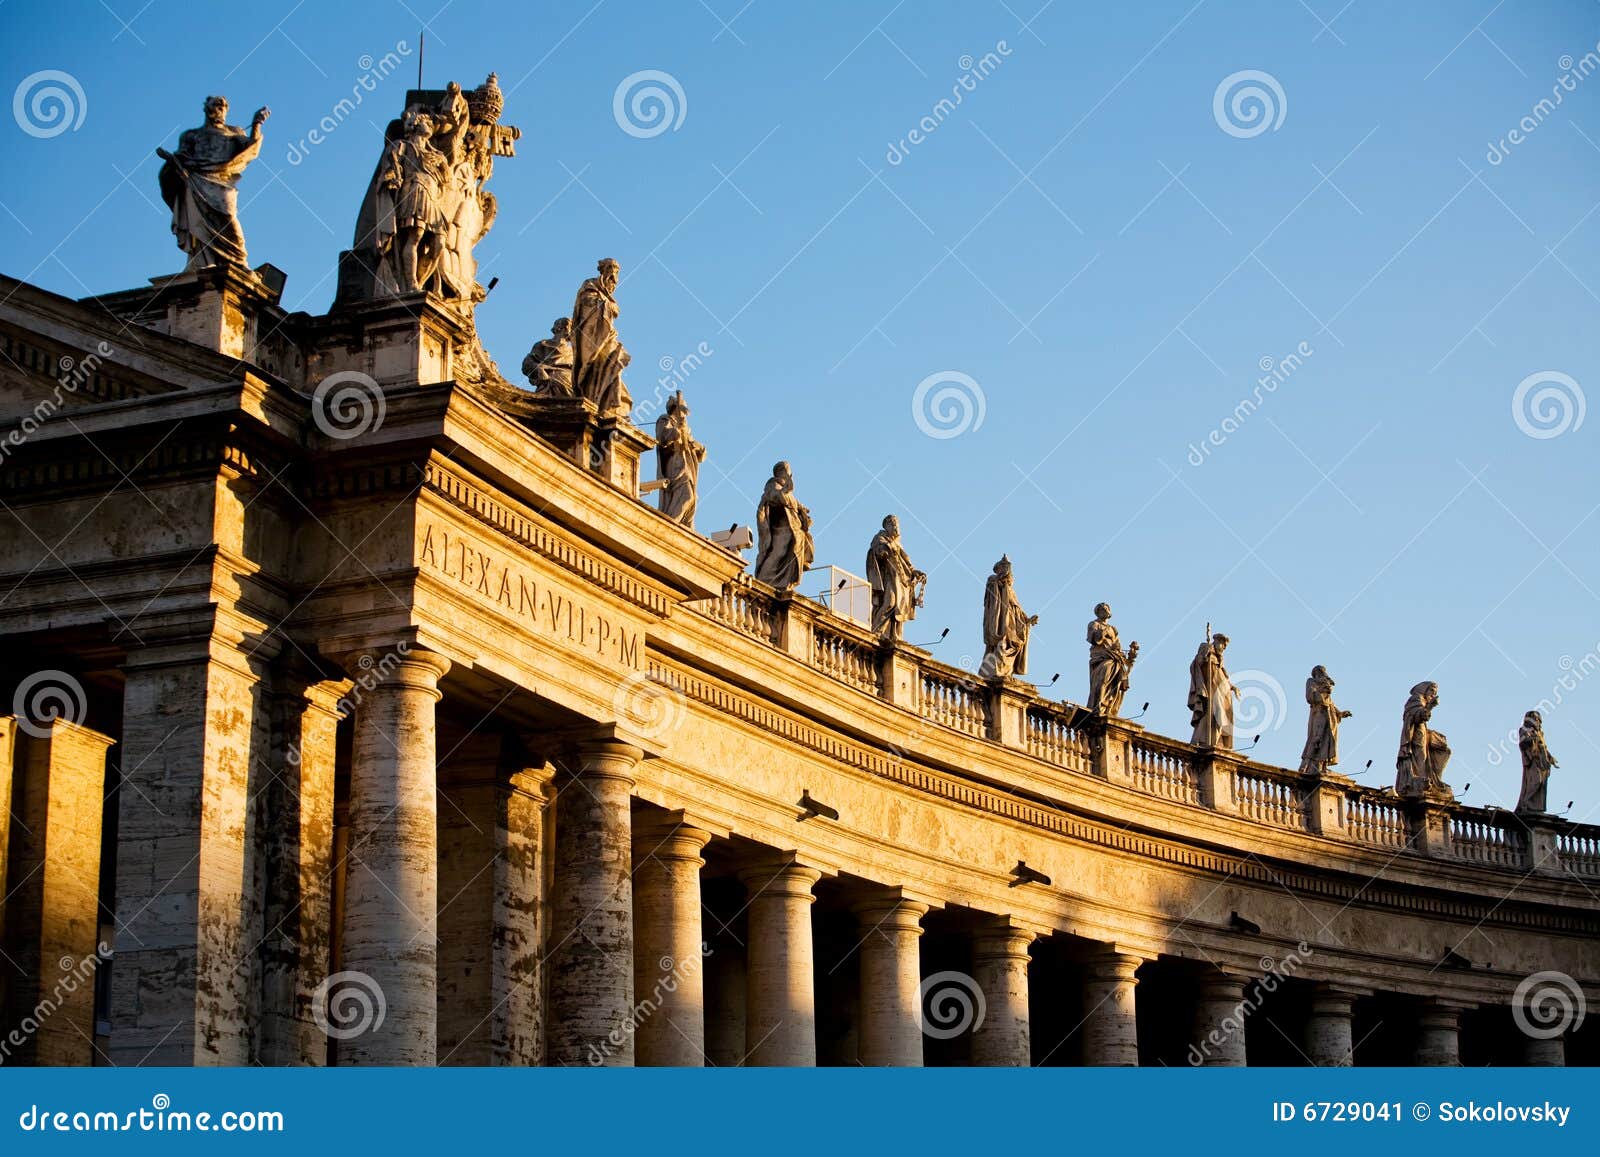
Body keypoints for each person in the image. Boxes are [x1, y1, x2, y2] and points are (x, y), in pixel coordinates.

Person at [158, 95, 270, 270]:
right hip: (195, 181)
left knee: (228, 217)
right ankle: (201, 263)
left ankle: (238, 261)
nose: (220, 110)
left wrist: (256, 124)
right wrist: (174, 163)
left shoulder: (234, 132)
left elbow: (252, 148)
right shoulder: (191, 135)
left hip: (221, 182)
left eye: (223, 107)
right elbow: (183, 158)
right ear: (206, 108)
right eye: (216, 106)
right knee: (197, 223)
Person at [571, 258, 632, 415]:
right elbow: (586, 301)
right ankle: (593, 397)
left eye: (616, 271)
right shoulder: (590, 285)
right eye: (610, 268)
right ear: (603, 270)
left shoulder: (607, 294)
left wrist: (609, 306)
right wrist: (606, 305)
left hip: (606, 334)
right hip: (590, 334)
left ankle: (606, 401)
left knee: (614, 359)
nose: (613, 273)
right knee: (592, 364)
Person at [753, 461, 813, 591]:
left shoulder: (784, 490)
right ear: (785, 472)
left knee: (788, 557)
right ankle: (765, 580)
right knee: (777, 555)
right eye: (788, 472)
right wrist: (788, 491)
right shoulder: (773, 485)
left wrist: (802, 511)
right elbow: (779, 498)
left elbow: (793, 502)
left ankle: (783, 584)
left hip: (792, 532)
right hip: (780, 531)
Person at [866, 515, 924, 640]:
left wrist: (914, 572)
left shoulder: (898, 543)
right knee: (890, 602)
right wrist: (883, 551)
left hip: (901, 580)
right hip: (888, 576)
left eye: (896, 525)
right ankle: (877, 630)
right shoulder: (880, 538)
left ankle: (895, 635)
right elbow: (876, 550)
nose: (895, 527)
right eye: (892, 524)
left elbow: (907, 562)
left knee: (900, 606)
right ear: (886, 526)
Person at [654, 391, 705, 527]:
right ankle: (670, 526)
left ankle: (684, 529)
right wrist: (677, 431)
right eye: (683, 410)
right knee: (686, 495)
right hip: (675, 465)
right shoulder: (665, 420)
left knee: (692, 499)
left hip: (688, 467)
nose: (685, 414)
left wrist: (699, 448)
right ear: (675, 409)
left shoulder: (686, 427)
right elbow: (662, 437)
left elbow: (694, 446)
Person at [981, 557, 1037, 678]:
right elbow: (993, 597)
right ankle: (995, 670)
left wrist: (1027, 620)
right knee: (1001, 643)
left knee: (1014, 643)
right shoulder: (993, 580)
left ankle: (1006, 671)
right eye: (1006, 569)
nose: (1010, 575)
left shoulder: (1011, 590)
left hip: (1011, 619)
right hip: (999, 617)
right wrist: (1002, 581)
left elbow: (1017, 606)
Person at [1395, 681, 1452, 797]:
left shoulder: (1422, 701)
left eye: (1435, 692)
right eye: (1431, 691)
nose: (1433, 694)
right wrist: (1430, 706)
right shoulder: (1416, 699)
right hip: (1415, 736)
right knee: (1421, 757)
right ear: (1424, 689)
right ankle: (1420, 779)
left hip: (1421, 733)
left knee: (1445, 751)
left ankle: (1433, 780)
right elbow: (1418, 717)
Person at [1297, 666, 1351, 776]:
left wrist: (1340, 713)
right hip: (1318, 713)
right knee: (1316, 738)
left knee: (1327, 739)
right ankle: (1305, 767)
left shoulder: (1325, 683)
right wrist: (1323, 690)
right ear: (1316, 672)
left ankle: (1323, 766)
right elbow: (1310, 697)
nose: (1323, 673)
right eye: (1321, 671)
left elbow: (1330, 703)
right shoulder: (1311, 681)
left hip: (1329, 715)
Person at [1086, 602, 1137, 716]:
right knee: (1102, 680)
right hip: (1101, 657)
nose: (1105, 611)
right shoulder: (1094, 624)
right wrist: (1103, 631)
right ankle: (1097, 705)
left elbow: (1117, 645)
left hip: (1115, 657)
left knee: (1116, 683)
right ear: (1098, 612)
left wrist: (1130, 656)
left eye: (1107, 609)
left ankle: (1109, 708)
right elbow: (1092, 638)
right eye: (1103, 609)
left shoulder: (1113, 629)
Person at [1188, 632, 1237, 748]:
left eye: (1225, 647)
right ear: (1217, 641)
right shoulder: (1206, 649)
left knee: (1224, 717)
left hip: (1221, 694)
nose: (1223, 648)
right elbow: (1196, 665)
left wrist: (1232, 686)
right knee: (1215, 715)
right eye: (1223, 645)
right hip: (1211, 692)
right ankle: (1209, 741)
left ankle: (1218, 741)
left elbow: (1222, 676)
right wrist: (1204, 656)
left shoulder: (1220, 660)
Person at [1517, 710, 1558, 814]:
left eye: (1538, 720)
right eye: (1535, 719)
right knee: (1536, 782)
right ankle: (1525, 803)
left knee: (1542, 784)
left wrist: (1550, 757)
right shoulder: (1524, 729)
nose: (1538, 722)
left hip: (1543, 762)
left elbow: (1543, 747)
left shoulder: (1540, 733)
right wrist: (1533, 740)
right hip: (1534, 760)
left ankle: (1536, 807)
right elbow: (1523, 743)